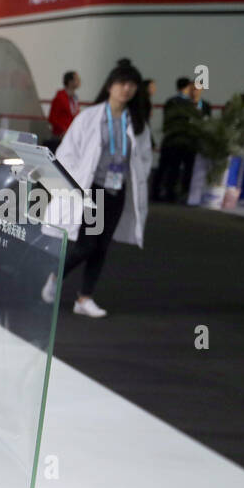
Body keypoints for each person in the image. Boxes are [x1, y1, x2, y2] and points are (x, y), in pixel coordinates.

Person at [46, 59, 152, 319]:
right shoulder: (91, 117)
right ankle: (55, 277)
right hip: (94, 192)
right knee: (87, 245)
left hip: (117, 192)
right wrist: (72, 182)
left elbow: (144, 158)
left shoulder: (137, 123)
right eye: (121, 83)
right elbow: (68, 151)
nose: (126, 89)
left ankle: (85, 298)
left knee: (102, 246)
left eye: (132, 85)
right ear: (110, 85)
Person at [154, 77, 202, 202]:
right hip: (180, 141)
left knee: (176, 168)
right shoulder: (181, 103)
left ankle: (171, 193)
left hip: (181, 141)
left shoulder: (174, 102)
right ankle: (171, 193)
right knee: (174, 168)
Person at [47, 69, 79, 146]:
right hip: (60, 136)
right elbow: (52, 118)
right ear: (70, 82)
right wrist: (63, 130)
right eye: (77, 79)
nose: (79, 81)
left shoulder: (74, 99)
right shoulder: (60, 98)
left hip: (71, 135)